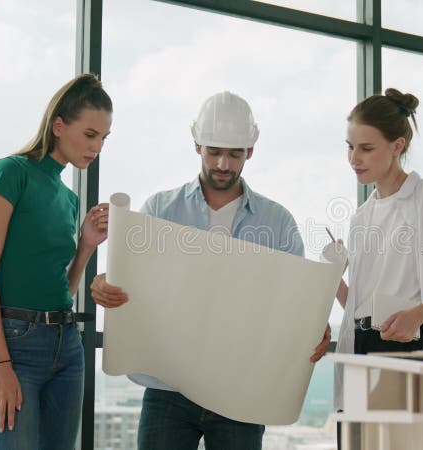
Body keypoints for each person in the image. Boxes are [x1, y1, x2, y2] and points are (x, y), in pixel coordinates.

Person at [90, 91, 331, 450]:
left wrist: (313, 326)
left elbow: (293, 301)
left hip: (241, 392)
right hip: (167, 387)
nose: (222, 164)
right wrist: (102, 284)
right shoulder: (160, 209)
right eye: (213, 152)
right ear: (197, 145)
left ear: (250, 151)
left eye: (234, 155)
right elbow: (133, 281)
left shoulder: (277, 222)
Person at [0, 73, 112, 449]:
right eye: (89, 135)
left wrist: (85, 247)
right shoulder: (11, 172)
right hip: (14, 346)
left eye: (103, 138)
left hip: (66, 347)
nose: (96, 146)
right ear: (59, 126)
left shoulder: (68, 199)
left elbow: (57, 290)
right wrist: (0, 365)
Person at [333, 88, 423, 446]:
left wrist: (418, 314)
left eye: (366, 148)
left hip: (417, 348)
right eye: (350, 147)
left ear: (397, 146)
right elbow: (357, 308)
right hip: (365, 350)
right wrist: (333, 279)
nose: (354, 159)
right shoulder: (361, 219)